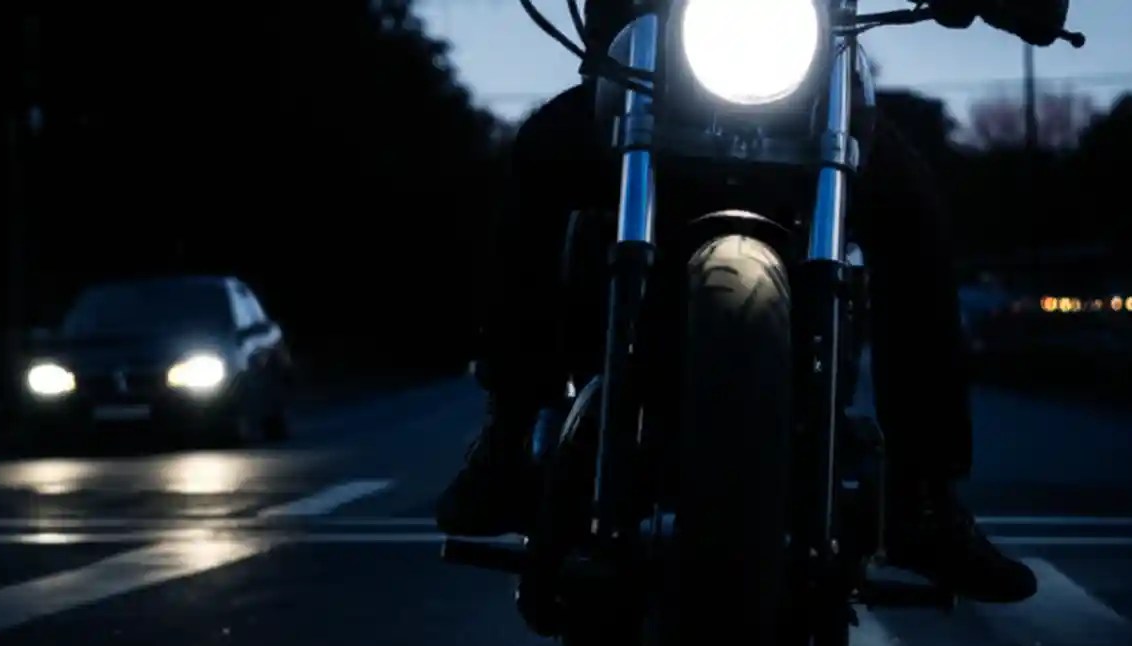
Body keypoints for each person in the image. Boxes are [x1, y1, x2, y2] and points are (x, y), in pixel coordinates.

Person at [438, 0, 1070, 604]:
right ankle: (510, 434)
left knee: (911, 206)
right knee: (540, 156)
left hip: (803, 79)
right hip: (650, 67)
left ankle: (924, 499)